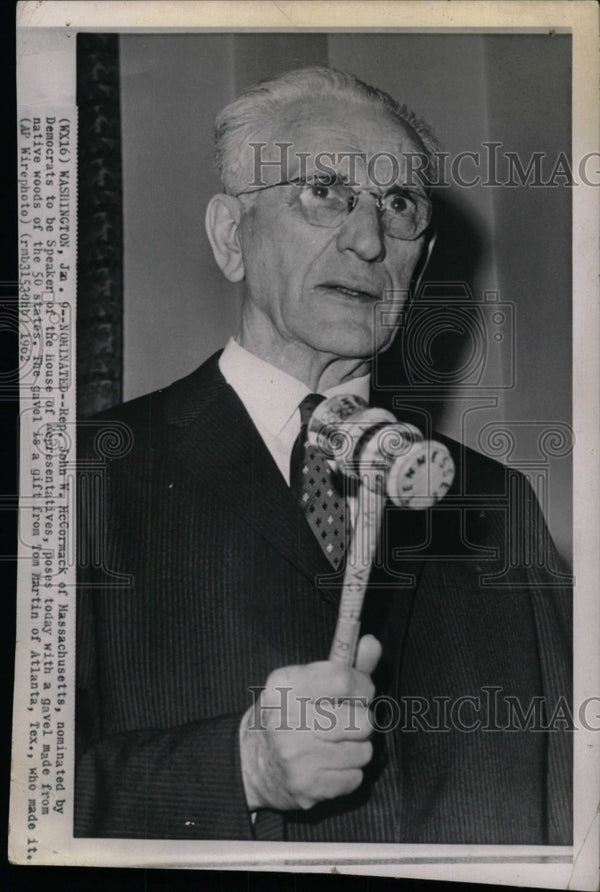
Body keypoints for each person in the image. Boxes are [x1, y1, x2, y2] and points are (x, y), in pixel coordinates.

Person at [75, 67, 571, 844]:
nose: (369, 239)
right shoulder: (80, 480)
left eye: (398, 205)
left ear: (423, 253)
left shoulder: (497, 504)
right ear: (231, 237)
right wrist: (239, 769)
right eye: (324, 192)